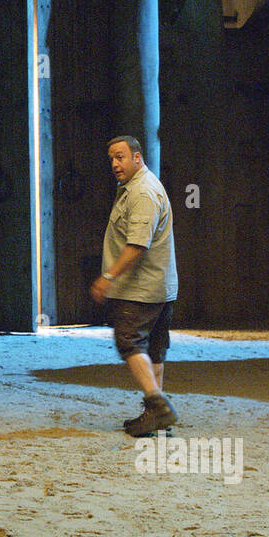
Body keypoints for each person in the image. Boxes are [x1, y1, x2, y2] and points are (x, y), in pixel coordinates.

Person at [89, 135, 179, 436]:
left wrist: (109, 277)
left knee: (129, 342)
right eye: (112, 158)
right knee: (154, 350)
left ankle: (158, 404)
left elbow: (137, 245)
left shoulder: (142, 192)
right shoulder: (137, 186)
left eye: (121, 157)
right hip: (158, 286)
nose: (115, 164)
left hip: (140, 289)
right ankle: (154, 416)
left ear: (137, 157)